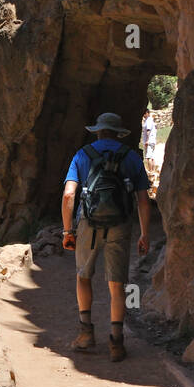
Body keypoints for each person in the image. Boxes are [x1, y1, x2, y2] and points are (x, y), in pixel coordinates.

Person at [61, 111, 150, 362]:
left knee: (83, 277)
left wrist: (68, 231)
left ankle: (86, 334)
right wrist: (144, 234)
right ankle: (116, 343)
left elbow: (69, 195)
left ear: (97, 131)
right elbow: (143, 200)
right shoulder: (131, 157)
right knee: (117, 285)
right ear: (119, 133)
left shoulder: (82, 155)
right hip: (120, 225)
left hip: (88, 224)